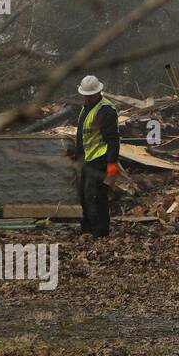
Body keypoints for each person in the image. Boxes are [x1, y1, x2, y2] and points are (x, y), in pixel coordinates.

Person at [68, 75, 120, 237]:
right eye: (85, 95)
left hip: (100, 159)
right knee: (85, 195)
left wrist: (112, 166)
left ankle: (100, 231)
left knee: (96, 196)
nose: (87, 98)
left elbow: (113, 140)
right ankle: (88, 228)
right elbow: (83, 134)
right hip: (86, 160)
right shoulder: (86, 108)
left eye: (90, 96)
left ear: (98, 93)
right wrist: (76, 154)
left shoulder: (106, 111)